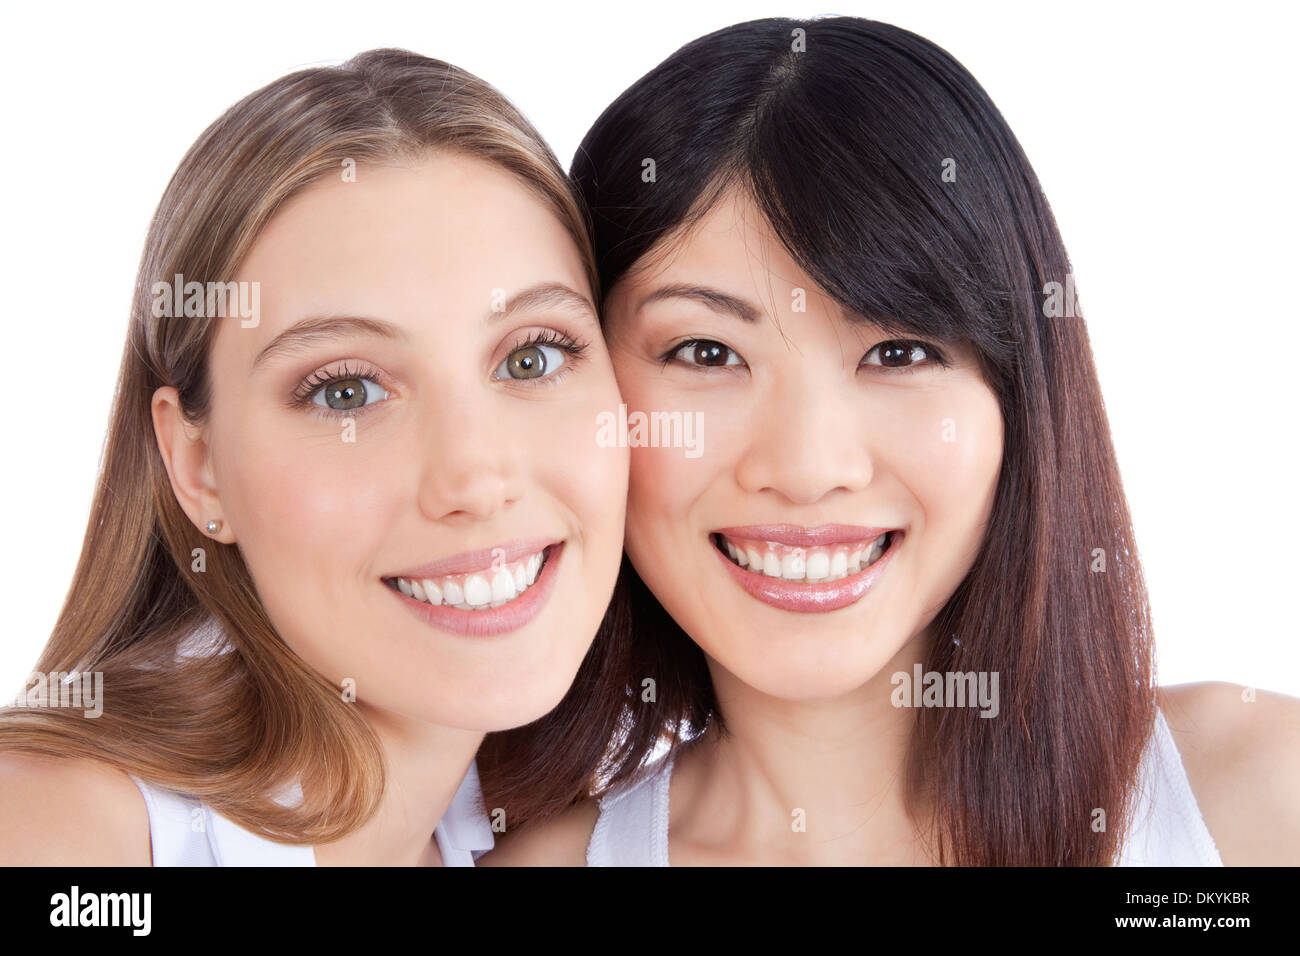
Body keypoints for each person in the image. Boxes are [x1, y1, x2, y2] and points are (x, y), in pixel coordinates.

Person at [482, 17, 1300, 866]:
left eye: (898, 352)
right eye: (707, 352)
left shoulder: (1257, 805)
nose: (806, 469)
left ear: (1018, 398)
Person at [0, 49, 629, 866]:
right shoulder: (60, 834)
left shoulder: (543, 832)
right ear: (197, 465)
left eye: (531, 358)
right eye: (346, 392)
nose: (475, 479)